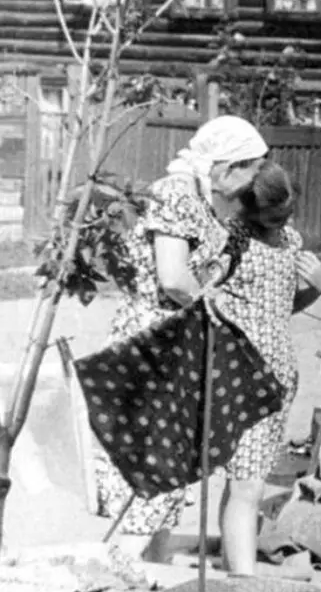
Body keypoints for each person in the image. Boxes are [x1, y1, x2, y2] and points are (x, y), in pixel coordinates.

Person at [95, 115, 268, 564]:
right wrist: (217, 313)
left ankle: (149, 586)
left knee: (166, 478)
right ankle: (118, 582)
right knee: (152, 471)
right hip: (153, 342)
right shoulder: (176, 193)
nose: (257, 179)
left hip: (176, 340)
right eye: (253, 168)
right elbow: (172, 278)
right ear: (227, 168)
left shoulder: (206, 200)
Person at [213, 162, 321, 574]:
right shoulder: (233, 238)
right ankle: (244, 585)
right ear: (246, 208)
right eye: (273, 216)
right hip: (242, 374)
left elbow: (282, 309)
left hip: (279, 377)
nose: (283, 223)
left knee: (245, 480)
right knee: (248, 484)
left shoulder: (291, 241)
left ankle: (232, 570)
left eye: (288, 214)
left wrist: (319, 286)